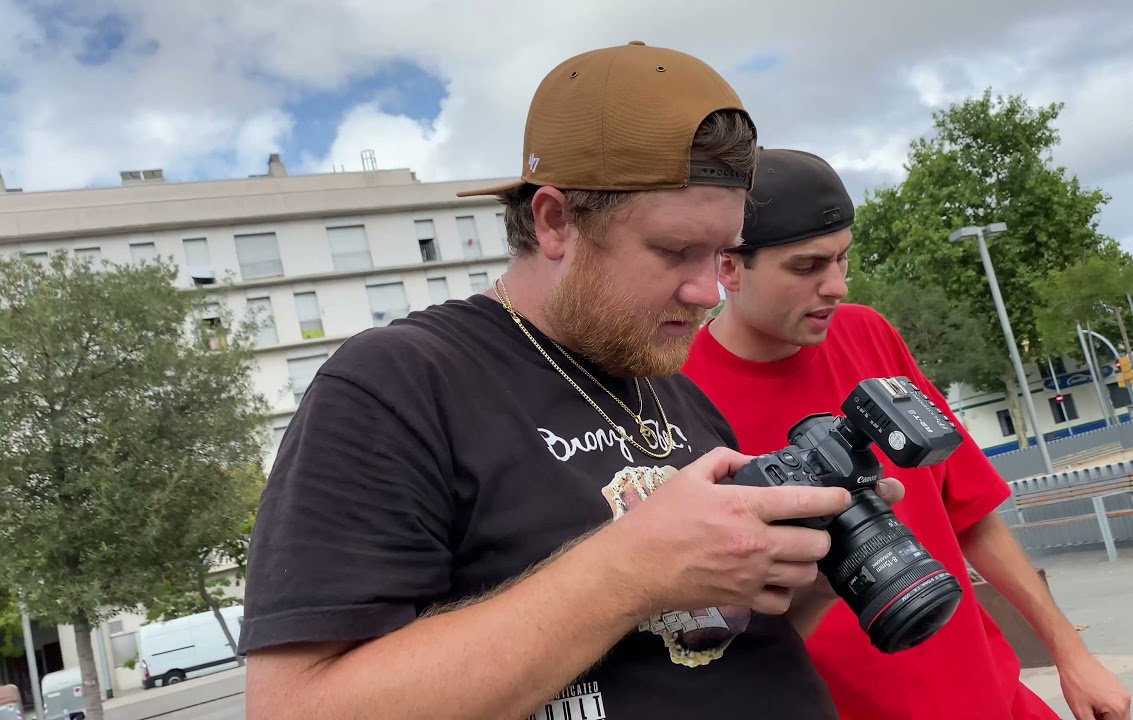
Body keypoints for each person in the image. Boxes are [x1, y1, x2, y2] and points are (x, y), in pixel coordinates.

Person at [237, 43, 907, 720]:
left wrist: (813, 571)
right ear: (556, 221)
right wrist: (629, 570)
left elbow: (714, 659)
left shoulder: (668, 381)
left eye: (723, 253)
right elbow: (296, 706)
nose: (709, 290)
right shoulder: (398, 384)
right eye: (675, 251)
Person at [681, 148, 1133, 720]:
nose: (836, 286)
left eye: (843, 259)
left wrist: (1072, 654)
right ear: (728, 268)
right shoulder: (676, 394)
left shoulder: (868, 335)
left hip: (992, 697)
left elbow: (970, 513)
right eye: (807, 267)